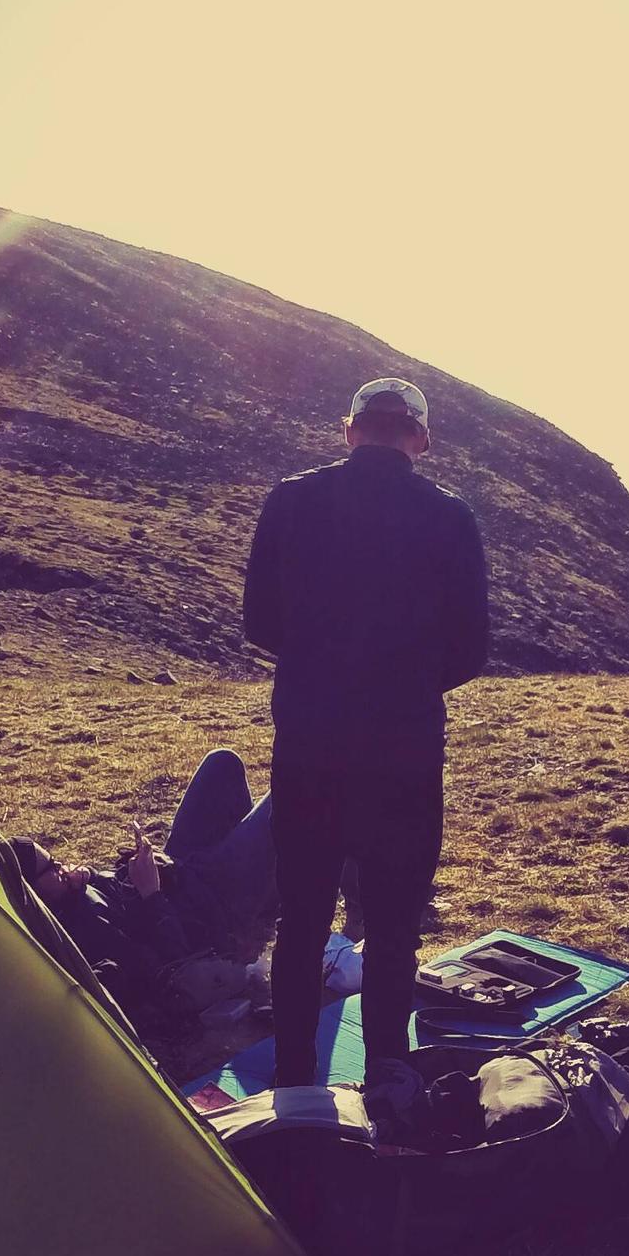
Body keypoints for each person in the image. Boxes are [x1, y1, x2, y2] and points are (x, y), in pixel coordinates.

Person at [242, 376, 491, 1120]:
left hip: (311, 739)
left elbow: (259, 621)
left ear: (350, 430)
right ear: (419, 438)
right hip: (404, 748)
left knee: (303, 917)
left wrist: (321, 669)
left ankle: (294, 1081)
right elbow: (471, 646)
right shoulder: (449, 516)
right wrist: (409, 684)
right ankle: (387, 1071)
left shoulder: (291, 500)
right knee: (391, 925)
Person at [9, 749, 279, 1030]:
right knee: (284, 796)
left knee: (223, 763)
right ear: (32, 893)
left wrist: (103, 876)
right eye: (51, 869)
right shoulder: (81, 934)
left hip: (183, 871)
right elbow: (170, 961)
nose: (61, 866)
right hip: (216, 904)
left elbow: (117, 897)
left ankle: (267, 883)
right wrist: (151, 893)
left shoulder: (69, 896)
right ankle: (262, 889)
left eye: (55, 859)